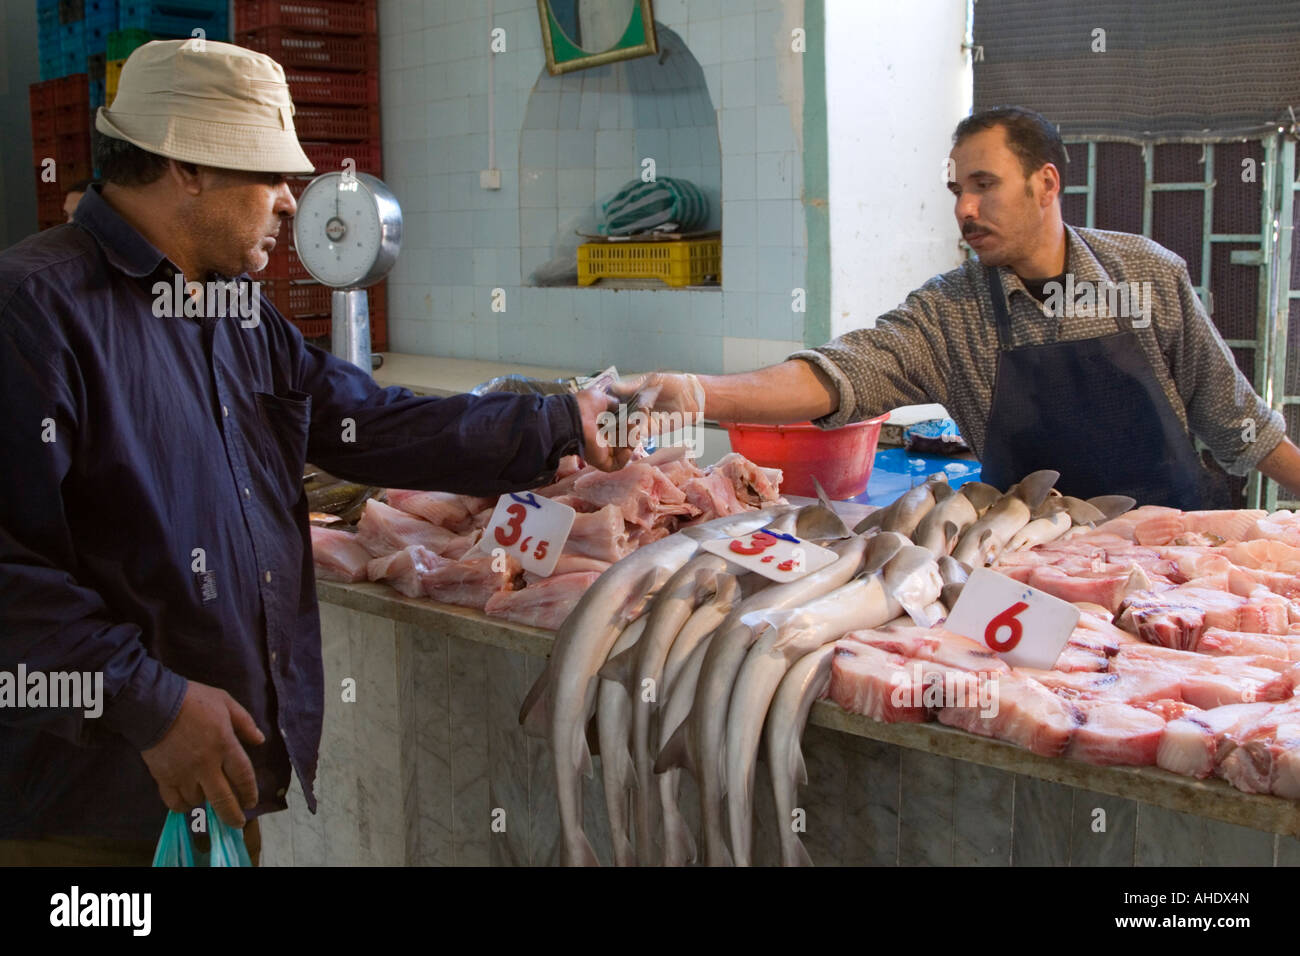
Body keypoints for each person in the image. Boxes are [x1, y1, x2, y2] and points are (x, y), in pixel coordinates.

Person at [0, 39, 627, 866]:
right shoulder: (34, 312)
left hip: (214, 776)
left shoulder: (232, 311)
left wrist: (558, 424)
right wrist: (148, 702)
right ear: (189, 169)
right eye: (270, 177)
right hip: (92, 802)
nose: (292, 204)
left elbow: (372, 422)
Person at [619, 106, 1300, 506]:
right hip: (1036, 575)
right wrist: (695, 391)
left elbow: (1238, 421)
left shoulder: (1146, 275)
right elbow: (835, 375)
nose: (964, 209)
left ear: (1045, 183)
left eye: (983, 185)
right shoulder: (952, 314)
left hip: (1168, 561)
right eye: (955, 190)